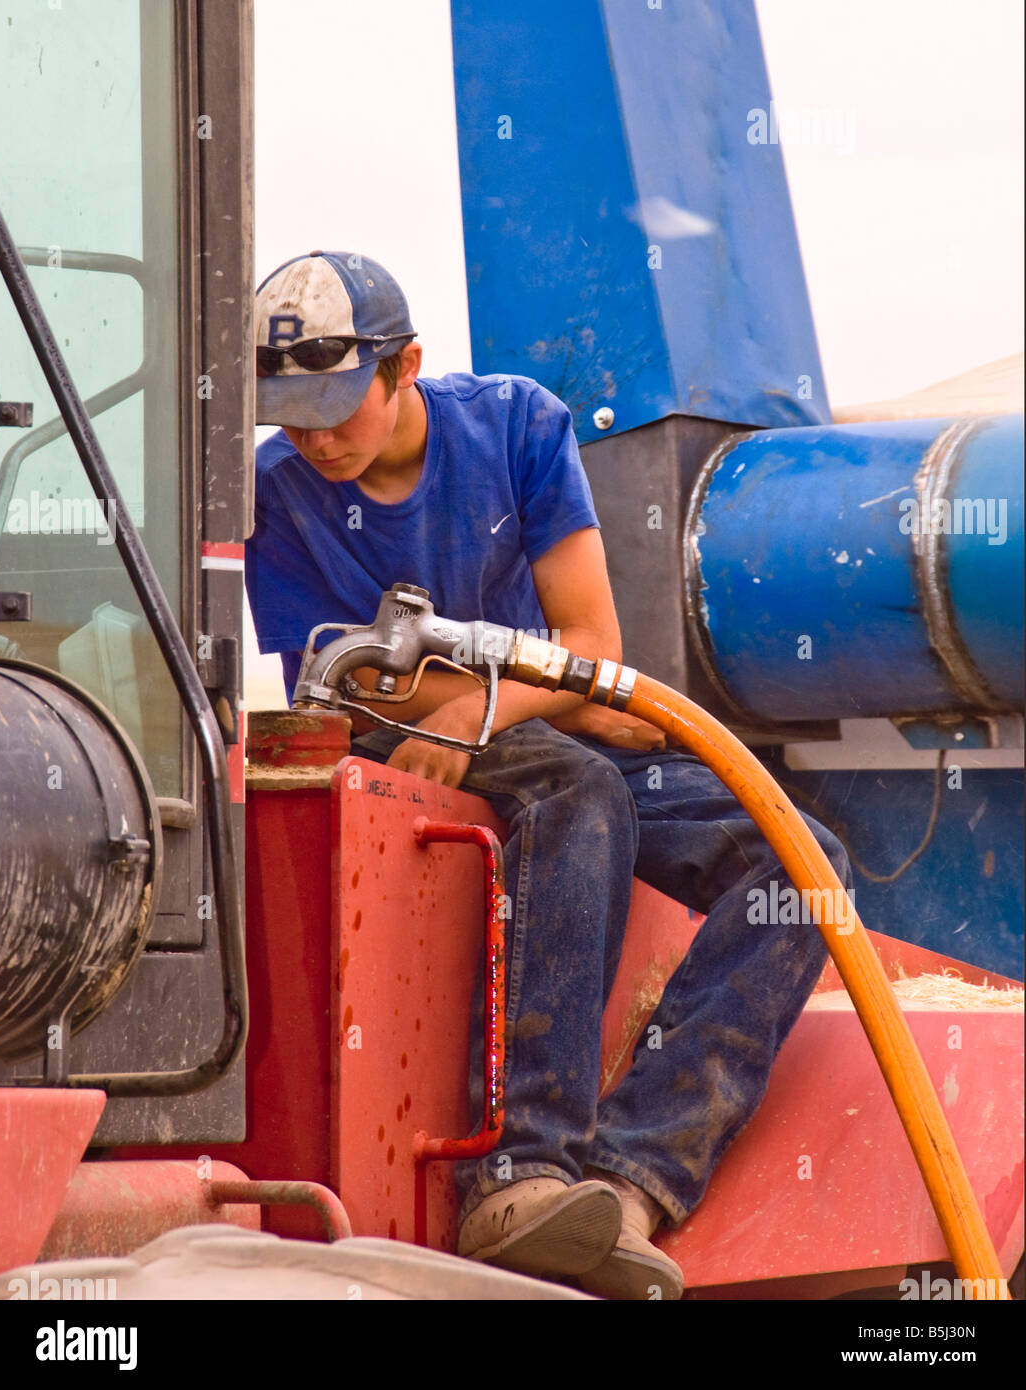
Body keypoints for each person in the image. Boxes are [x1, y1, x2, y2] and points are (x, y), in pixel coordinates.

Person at [245, 250, 851, 1300]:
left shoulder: (517, 427)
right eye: (291, 411)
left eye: (337, 408)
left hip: (522, 729)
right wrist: (520, 703)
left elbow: (593, 649)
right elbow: (349, 693)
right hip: (449, 747)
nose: (314, 437)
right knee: (581, 786)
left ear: (405, 369)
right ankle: (521, 1170)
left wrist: (490, 705)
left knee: (804, 861)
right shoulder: (274, 493)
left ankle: (631, 1175)